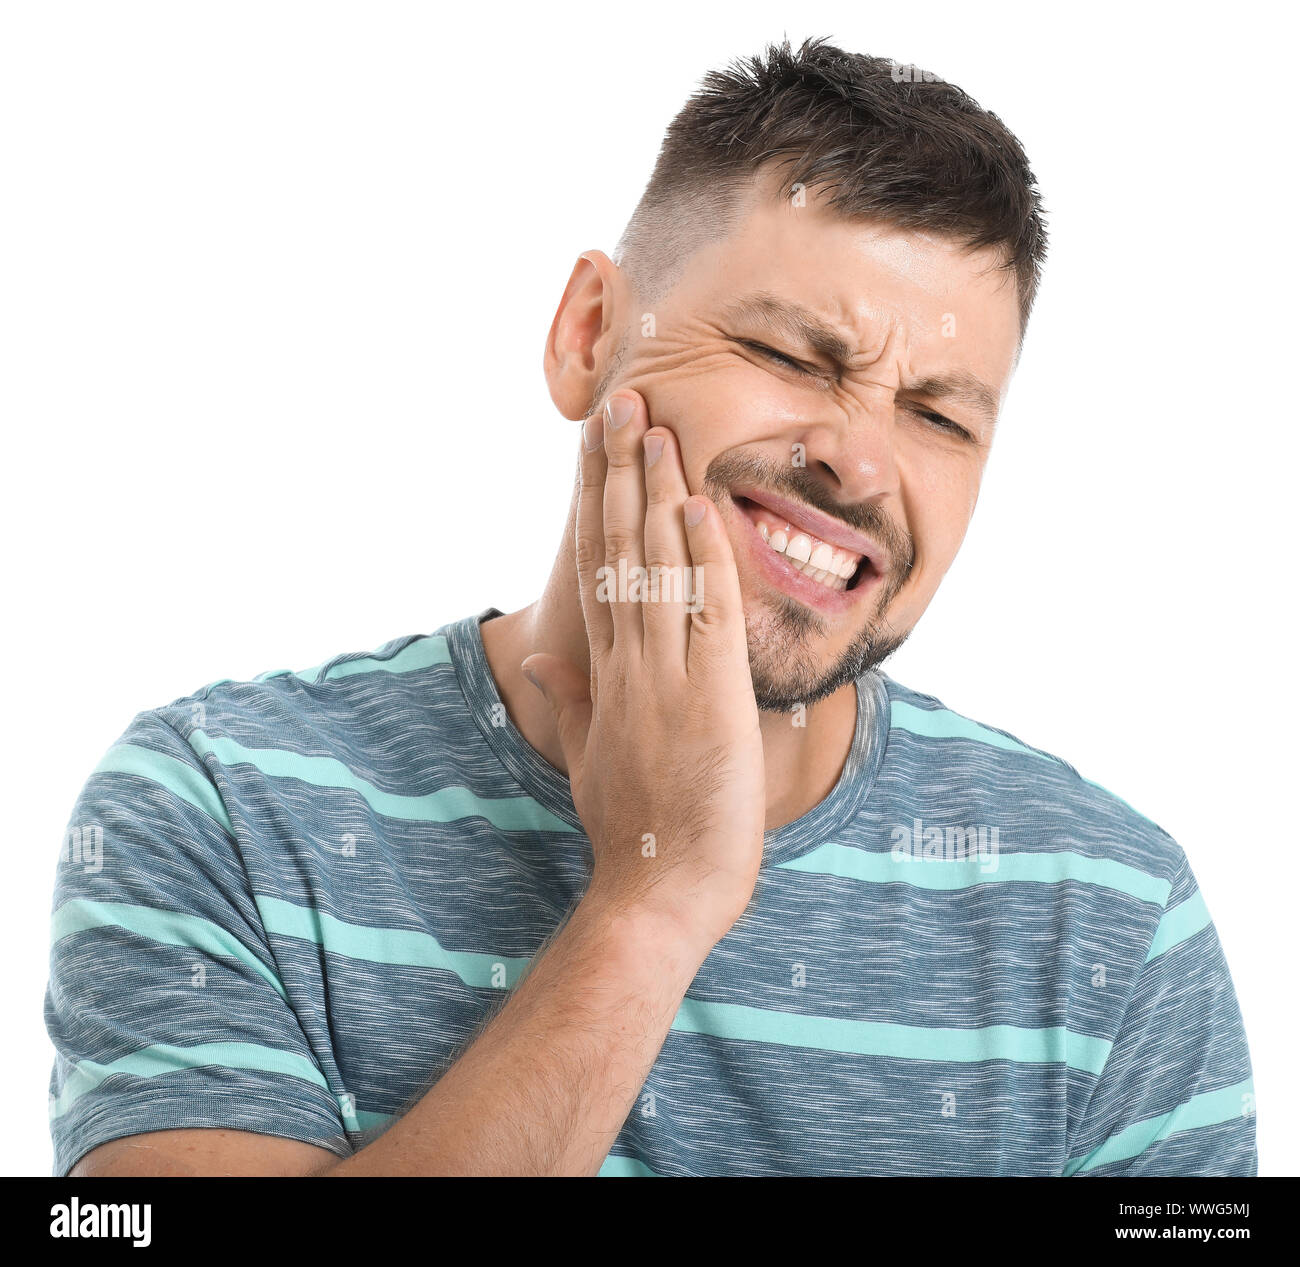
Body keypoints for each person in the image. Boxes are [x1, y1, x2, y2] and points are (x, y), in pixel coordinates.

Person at [46, 37, 1255, 1177]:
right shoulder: (215, 805)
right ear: (588, 336)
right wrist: (654, 895)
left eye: (938, 415)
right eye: (792, 356)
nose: (861, 464)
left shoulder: (1113, 915)